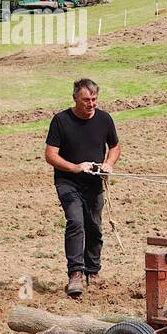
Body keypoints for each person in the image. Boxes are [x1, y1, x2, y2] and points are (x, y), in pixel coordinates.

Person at [44, 79, 120, 297]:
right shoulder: (60, 121)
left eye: (94, 99)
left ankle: (93, 271)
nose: (91, 104)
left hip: (94, 182)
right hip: (68, 182)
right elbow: (51, 155)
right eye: (86, 99)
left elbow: (114, 146)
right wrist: (75, 167)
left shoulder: (104, 119)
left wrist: (108, 164)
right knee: (76, 222)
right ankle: (75, 273)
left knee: (94, 225)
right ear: (75, 98)